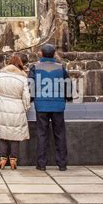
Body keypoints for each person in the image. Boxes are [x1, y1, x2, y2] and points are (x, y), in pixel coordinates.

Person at [28, 43, 73, 172]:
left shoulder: (35, 67)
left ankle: (41, 164)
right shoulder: (60, 67)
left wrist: (31, 99)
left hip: (41, 106)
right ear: (53, 54)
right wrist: (68, 98)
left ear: (42, 53)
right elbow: (68, 84)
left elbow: (30, 85)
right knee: (60, 134)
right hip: (58, 106)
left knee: (42, 135)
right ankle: (62, 164)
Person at [0, 54, 31, 170]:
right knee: (15, 135)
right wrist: (26, 108)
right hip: (17, 108)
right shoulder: (23, 78)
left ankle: (2, 159)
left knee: (3, 134)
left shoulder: (1, 75)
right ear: (20, 65)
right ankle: (13, 160)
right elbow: (26, 97)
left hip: (3, 107)